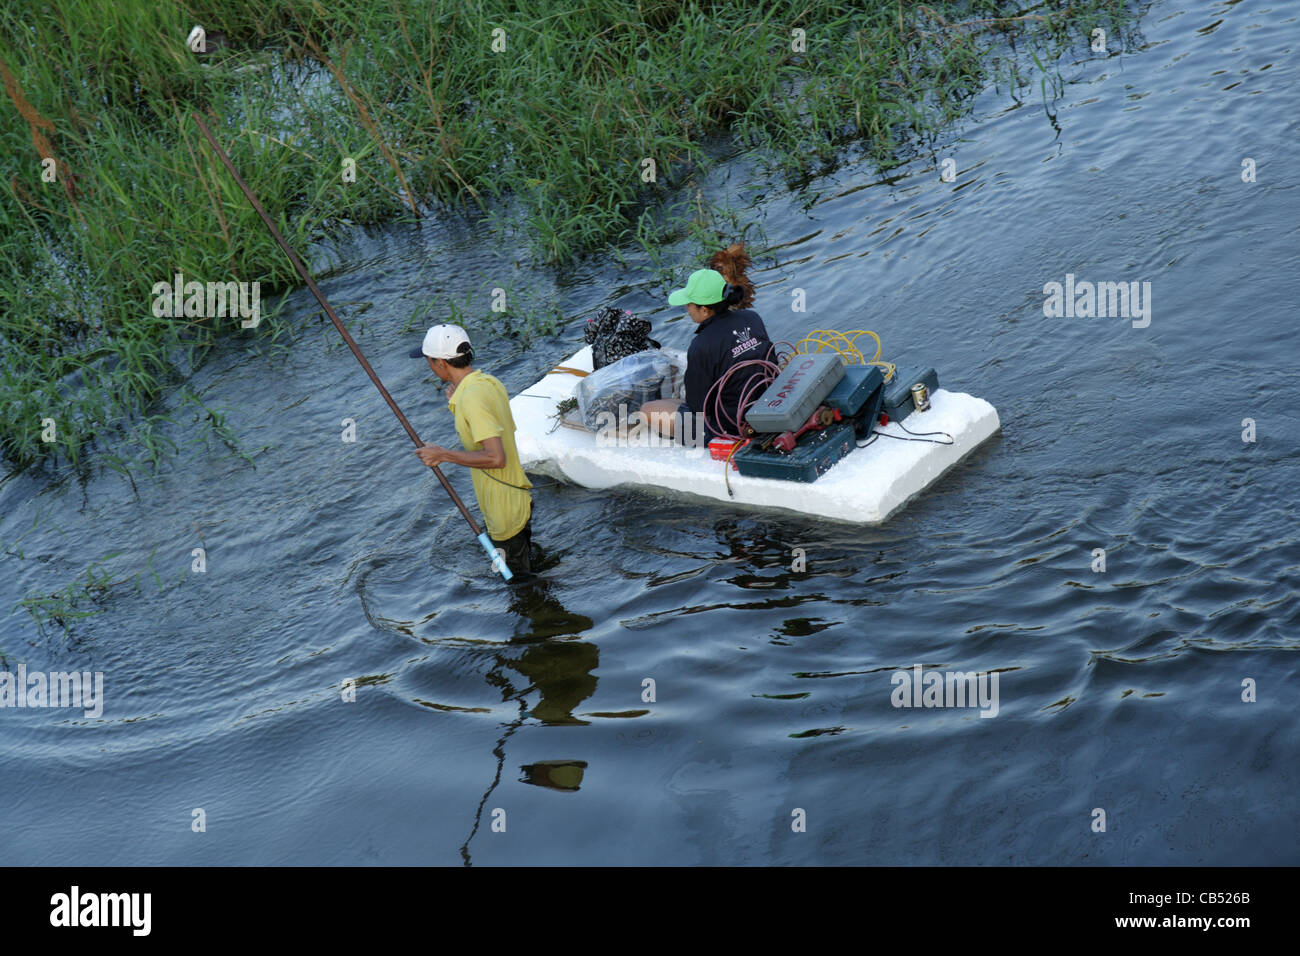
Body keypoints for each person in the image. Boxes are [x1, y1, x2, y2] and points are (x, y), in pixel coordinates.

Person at [410, 324, 534, 575]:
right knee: (527, 567)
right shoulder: (486, 382)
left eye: (429, 361)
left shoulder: (471, 397)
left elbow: (496, 457)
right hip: (518, 500)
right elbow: (486, 421)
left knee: (523, 591)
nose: (430, 367)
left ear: (441, 363)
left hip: (504, 512)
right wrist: (457, 400)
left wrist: (442, 455)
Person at [642, 256, 774, 444]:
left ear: (704, 310)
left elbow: (697, 408)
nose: (687, 309)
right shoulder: (752, 317)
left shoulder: (701, 345)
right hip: (766, 404)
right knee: (673, 402)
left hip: (731, 425)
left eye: (689, 304)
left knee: (648, 409)